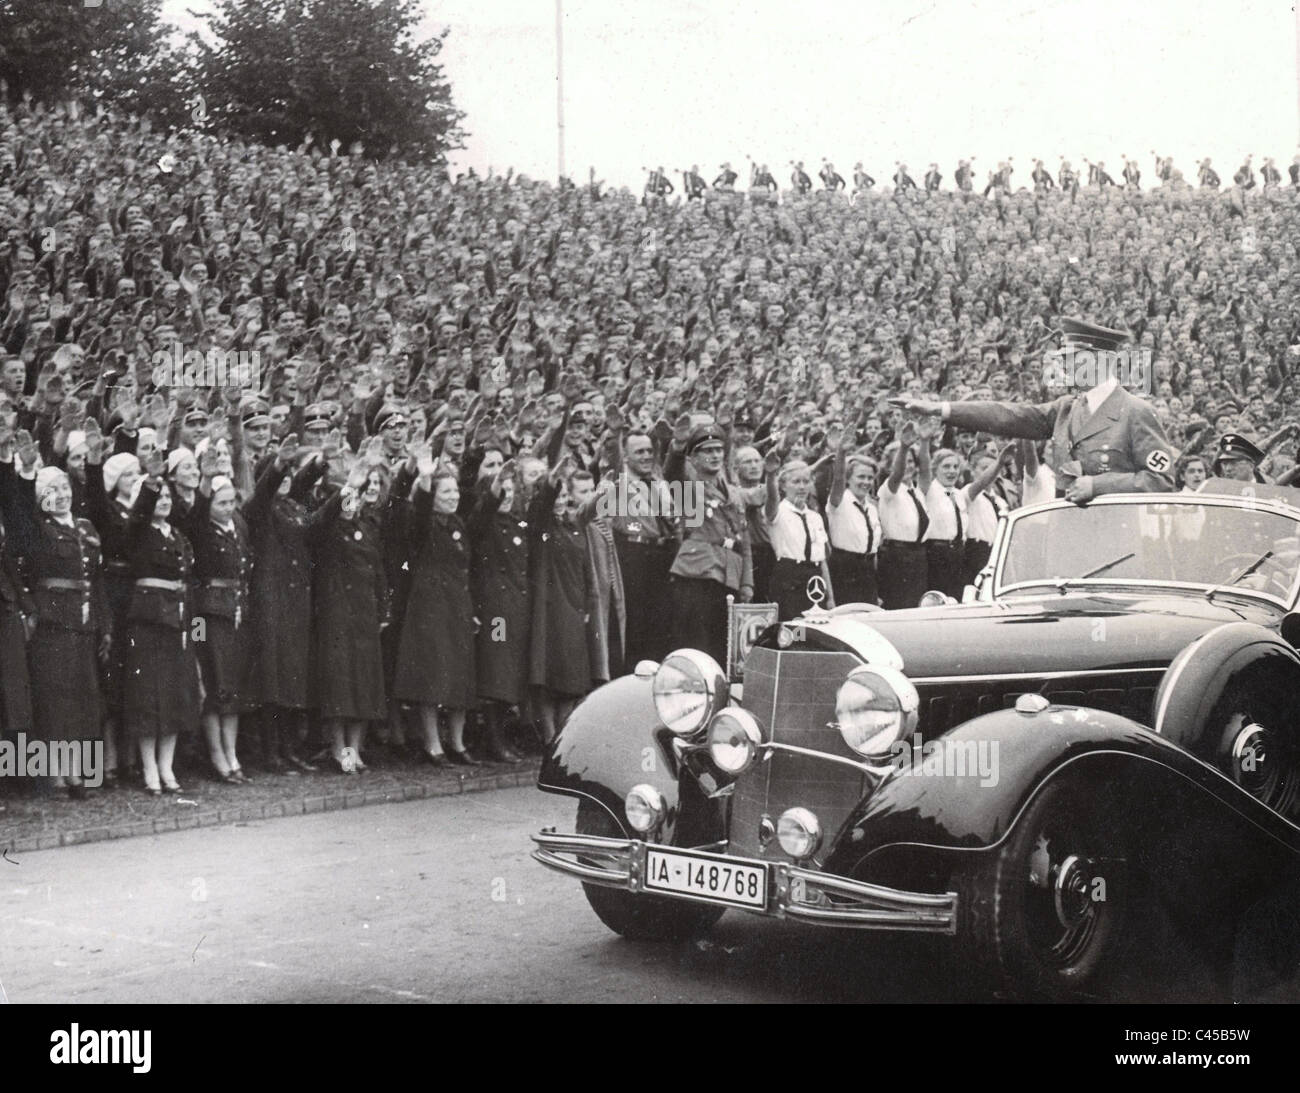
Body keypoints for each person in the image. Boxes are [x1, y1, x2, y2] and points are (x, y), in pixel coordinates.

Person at [891, 318, 1175, 501]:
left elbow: (1160, 480)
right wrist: (940, 409)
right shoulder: (1067, 408)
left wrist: (1098, 486)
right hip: (1070, 533)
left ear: (1103, 362)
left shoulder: (1136, 411)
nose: (1065, 367)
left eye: (1074, 359)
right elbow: (1005, 416)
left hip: (1120, 537)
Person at [4, 461, 108, 797]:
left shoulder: (86, 527)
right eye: (51, 491)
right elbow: (18, 511)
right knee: (55, 699)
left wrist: (104, 622)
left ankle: (78, 771)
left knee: (83, 697)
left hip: (84, 619)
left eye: (64, 488)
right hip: (53, 621)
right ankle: (54, 773)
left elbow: (96, 580)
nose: (61, 495)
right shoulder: (37, 528)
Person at [122, 454, 199, 795]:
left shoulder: (179, 536)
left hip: (177, 622)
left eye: (168, 496)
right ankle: (149, 768)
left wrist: (193, 631)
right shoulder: (139, 531)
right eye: (159, 496)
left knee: (173, 696)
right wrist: (152, 483)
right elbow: (138, 515)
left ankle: (167, 767)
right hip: (148, 622)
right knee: (148, 698)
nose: (164, 501)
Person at [393, 457, 478, 764]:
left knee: (462, 677)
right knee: (431, 678)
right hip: (429, 609)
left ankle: (457, 743)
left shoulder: (457, 523)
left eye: (455, 491)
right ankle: (433, 745)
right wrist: (426, 482)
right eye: (446, 493)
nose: (454, 497)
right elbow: (417, 513)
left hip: (458, 606)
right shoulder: (423, 523)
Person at [308, 457, 390, 773]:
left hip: (365, 614)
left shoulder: (368, 526)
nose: (353, 501)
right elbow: (320, 520)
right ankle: (339, 751)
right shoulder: (329, 528)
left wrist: (383, 609)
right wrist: (349, 486)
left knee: (364, 685)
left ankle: (355, 750)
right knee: (340, 686)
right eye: (349, 496)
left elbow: (378, 570)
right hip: (337, 613)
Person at [664, 422, 753, 664]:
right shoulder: (690, 489)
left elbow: (744, 540)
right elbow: (672, 473)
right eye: (707, 450)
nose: (715, 455)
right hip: (697, 576)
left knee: (722, 649)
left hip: (728, 577)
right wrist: (678, 447)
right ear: (693, 459)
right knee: (696, 648)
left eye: (718, 449)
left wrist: (747, 583)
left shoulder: (733, 493)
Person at [191, 472, 252, 784]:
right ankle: (217, 754)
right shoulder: (202, 529)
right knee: (213, 682)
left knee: (233, 684)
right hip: (206, 614)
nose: (228, 508)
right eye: (222, 503)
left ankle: (232, 752)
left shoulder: (238, 525)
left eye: (231, 502)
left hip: (235, 610)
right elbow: (197, 511)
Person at [468, 458, 530, 762]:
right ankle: (493, 740)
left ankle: (505, 736)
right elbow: (481, 515)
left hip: (516, 610)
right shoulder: (484, 524)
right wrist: (493, 491)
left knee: (510, 673)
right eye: (499, 492)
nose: (506, 497)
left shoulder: (517, 523)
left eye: (509, 491)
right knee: (496, 671)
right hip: (496, 613)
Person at [764, 453, 833, 620]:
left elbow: (822, 560)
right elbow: (771, 500)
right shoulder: (778, 512)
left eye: (806, 482)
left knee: (815, 628)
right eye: (795, 482)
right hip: (789, 576)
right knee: (794, 630)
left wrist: (830, 597)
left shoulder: (815, 517)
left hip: (815, 577)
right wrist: (771, 475)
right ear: (783, 486)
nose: (801, 487)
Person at [876, 420, 935, 609]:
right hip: (897, 556)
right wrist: (903, 447)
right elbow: (897, 474)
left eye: (911, 461)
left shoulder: (916, 491)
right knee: (899, 605)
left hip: (918, 554)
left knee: (917, 605)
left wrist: (925, 442)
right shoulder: (889, 490)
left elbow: (925, 471)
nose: (908, 466)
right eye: (903, 461)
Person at [826, 436, 881, 607]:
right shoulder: (839, 501)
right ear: (849, 479)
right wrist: (841, 452)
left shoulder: (871, 508)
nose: (866, 482)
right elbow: (838, 479)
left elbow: (873, 548)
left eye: (870, 478)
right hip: (844, 569)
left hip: (867, 571)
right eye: (861, 477)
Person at [922, 447, 969, 599]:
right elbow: (923, 468)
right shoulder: (929, 489)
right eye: (946, 467)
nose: (952, 471)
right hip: (937, 553)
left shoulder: (957, 493)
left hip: (957, 552)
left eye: (955, 467)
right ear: (935, 469)